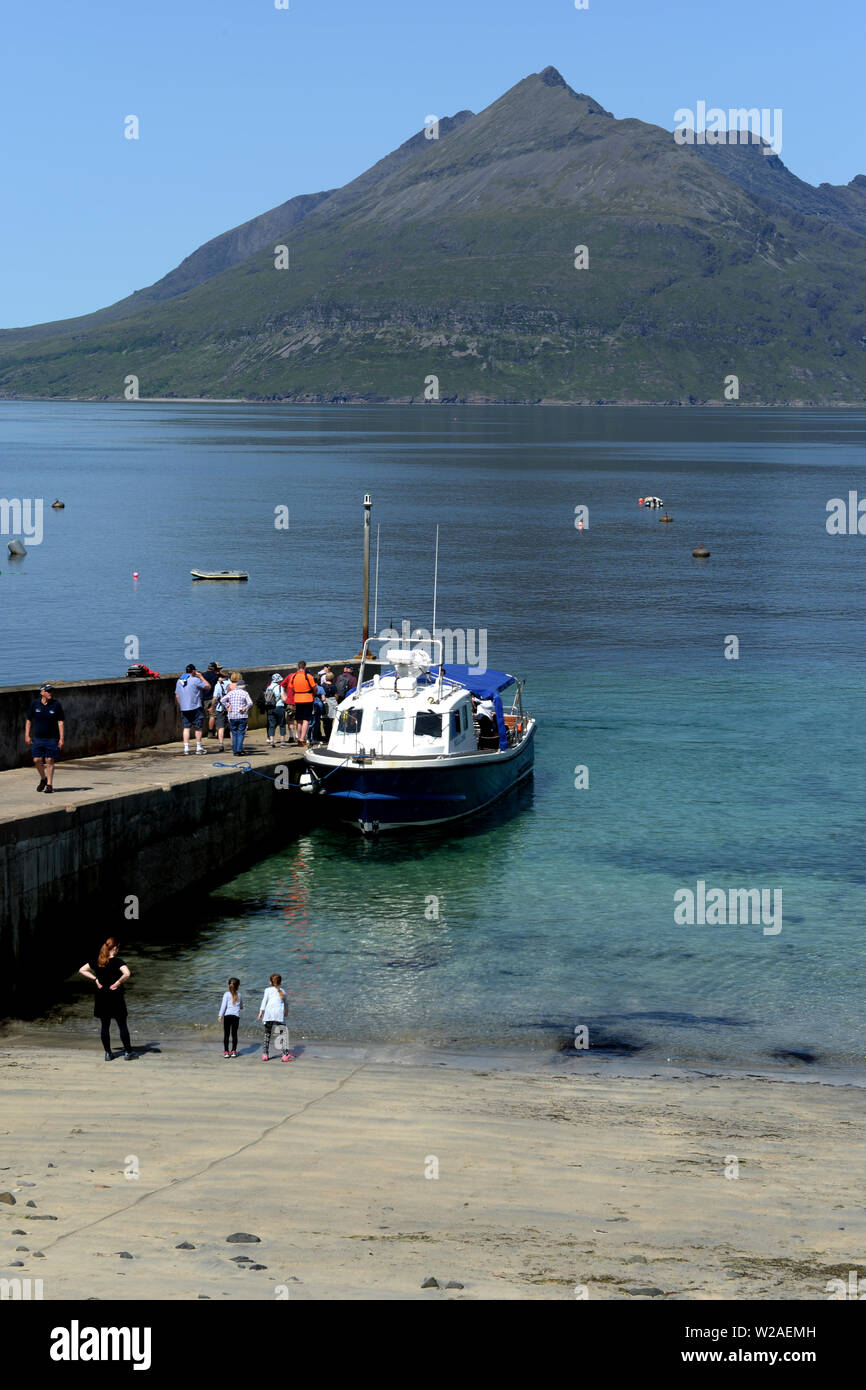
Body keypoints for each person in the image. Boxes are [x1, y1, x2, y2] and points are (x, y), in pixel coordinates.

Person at [79, 938, 134, 1061]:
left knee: (105, 1025)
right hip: (115, 995)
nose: (118, 950)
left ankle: (108, 1054)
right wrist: (118, 983)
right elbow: (127, 974)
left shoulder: (98, 961)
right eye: (118, 947)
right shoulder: (117, 961)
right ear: (114, 948)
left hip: (101, 996)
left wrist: (95, 980)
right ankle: (128, 1053)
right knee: (122, 1025)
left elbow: (82, 970)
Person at [24, 682, 65, 793]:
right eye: (48, 691)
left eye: (51, 691)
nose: (51, 693)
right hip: (38, 738)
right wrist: (27, 735)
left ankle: (49, 785)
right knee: (36, 759)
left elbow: (60, 722)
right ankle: (43, 778)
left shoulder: (56, 705)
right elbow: (28, 720)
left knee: (49, 759)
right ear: (42, 692)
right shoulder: (35, 704)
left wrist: (61, 738)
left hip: (52, 738)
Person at [175, 664, 212, 754]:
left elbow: (177, 695)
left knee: (186, 728)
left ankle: (186, 748)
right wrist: (201, 676)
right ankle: (199, 748)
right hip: (195, 707)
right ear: (193, 671)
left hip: (184, 708)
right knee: (198, 728)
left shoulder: (179, 681)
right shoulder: (195, 680)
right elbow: (208, 686)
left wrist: (182, 705)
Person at [257, 973, 291, 1062]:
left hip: (268, 1014)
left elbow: (264, 1001)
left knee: (267, 1034)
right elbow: (286, 1004)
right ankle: (284, 1055)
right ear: (281, 982)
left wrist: (261, 1012)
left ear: (270, 982)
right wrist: (286, 1012)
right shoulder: (283, 991)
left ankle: (265, 1054)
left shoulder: (267, 990)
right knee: (283, 1034)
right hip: (279, 1014)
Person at [285, 661, 317, 744]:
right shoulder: (308, 676)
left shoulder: (293, 676)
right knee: (306, 720)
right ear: (305, 667)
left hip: (297, 699)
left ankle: (298, 738)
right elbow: (314, 688)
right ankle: (302, 739)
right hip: (307, 698)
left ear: (297, 667)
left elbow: (291, 688)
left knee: (299, 720)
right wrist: (313, 694)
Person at [222, 671, 253, 755]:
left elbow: (222, 700)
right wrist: (245, 708)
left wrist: (228, 706)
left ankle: (235, 750)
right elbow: (250, 703)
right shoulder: (245, 693)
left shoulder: (231, 692)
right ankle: (239, 750)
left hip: (232, 715)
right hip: (242, 715)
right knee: (241, 733)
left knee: (234, 733)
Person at [218, 977, 242, 1057]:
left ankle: (226, 1052)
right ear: (238, 986)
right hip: (236, 1017)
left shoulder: (226, 994)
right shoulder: (239, 995)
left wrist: (220, 1015)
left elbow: (223, 1006)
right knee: (234, 1034)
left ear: (228, 985)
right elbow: (241, 1006)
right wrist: (241, 1007)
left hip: (227, 1017)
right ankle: (234, 1051)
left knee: (226, 1034)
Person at [209, 669, 231, 754]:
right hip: (230, 708)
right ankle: (233, 744)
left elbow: (215, 698)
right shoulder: (231, 684)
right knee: (231, 728)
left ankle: (221, 744)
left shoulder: (218, 685)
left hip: (220, 708)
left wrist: (211, 707)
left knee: (220, 727)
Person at [264, 673, 288, 747]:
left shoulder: (268, 687)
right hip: (279, 707)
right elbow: (284, 699)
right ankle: (282, 742)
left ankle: (271, 741)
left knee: (271, 725)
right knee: (282, 724)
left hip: (270, 707)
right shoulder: (280, 687)